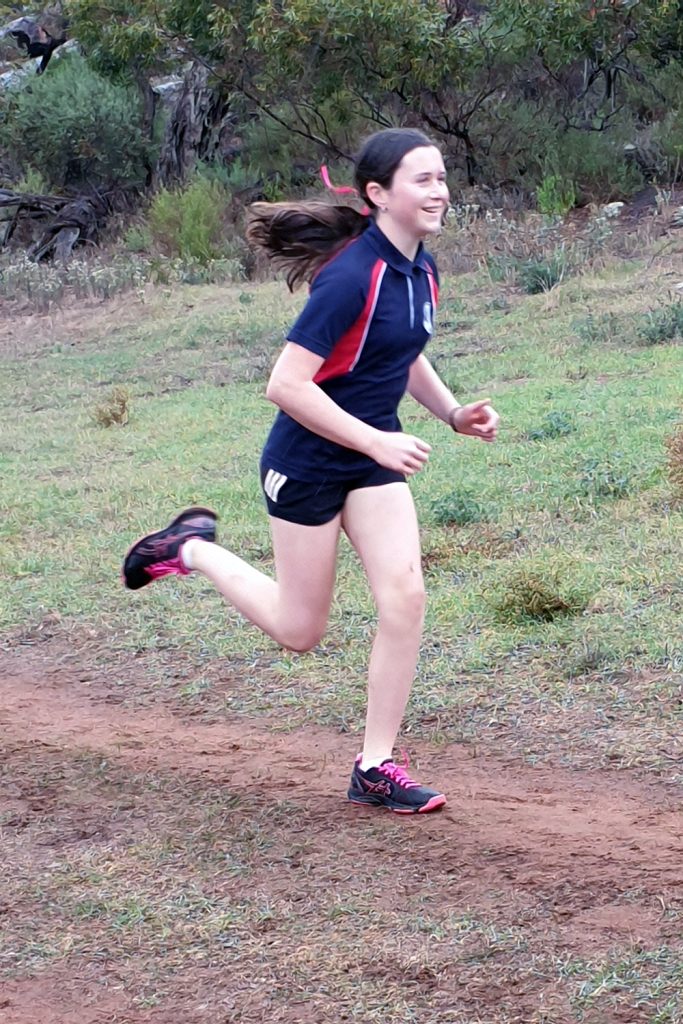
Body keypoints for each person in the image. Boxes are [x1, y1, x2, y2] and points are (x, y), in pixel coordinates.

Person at [122, 128, 499, 814]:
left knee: (405, 598)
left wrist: (449, 413)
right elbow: (286, 385)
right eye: (422, 179)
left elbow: (402, 351)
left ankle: (375, 765)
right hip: (307, 465)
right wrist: (377, 441)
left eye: (441, 177)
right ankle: (190, 549)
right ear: (378, 194)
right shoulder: (352, 275)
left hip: (370, 462)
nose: (439, 190)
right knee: (300, 631)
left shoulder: (422, 270)